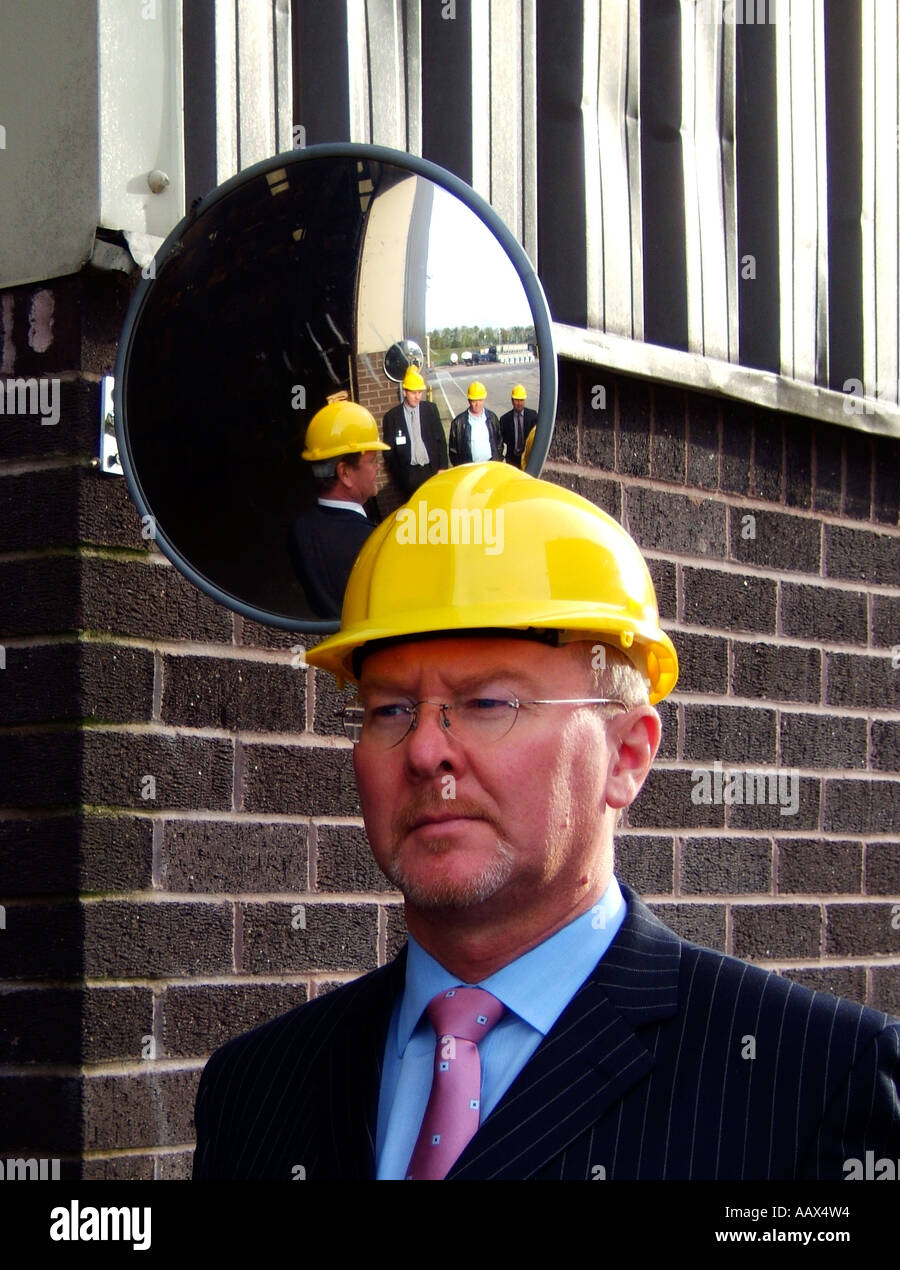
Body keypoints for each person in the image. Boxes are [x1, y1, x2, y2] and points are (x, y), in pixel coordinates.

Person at [196, 463, 900, 1180]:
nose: (427, 749)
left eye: (489, 702)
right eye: (390, 710)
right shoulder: (254, 1086)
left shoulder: (814, 1083)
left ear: (626, 755)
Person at [286, 399, 389, 619]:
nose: (377, 467)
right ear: (345, 474)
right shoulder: (372, 542)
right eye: (372, 461)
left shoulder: (300, 530)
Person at [382, 365, 448, 497]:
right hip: (409, 475)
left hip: (432, 470)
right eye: (413, 393)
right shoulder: (392, 417)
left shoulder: (430, 409)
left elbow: (440, 439)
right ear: (405, 392)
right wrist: (400, 477)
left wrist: (442, 467)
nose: (417, 397)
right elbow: (389, 453)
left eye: (420, 392)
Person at [448, 381, 502, 465]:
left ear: (484, 399)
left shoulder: (492, 418)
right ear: (469, 400)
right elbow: (453, 451)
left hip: (490, 466)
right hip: (469, 468)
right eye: (474, 401)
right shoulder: (458, 423)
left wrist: (498, 460)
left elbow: (499, 442)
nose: (477, 404)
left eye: (480, 400)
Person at [499, 383, 538, 466]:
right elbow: (499, 440)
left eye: (521, 400)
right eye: (517, 400)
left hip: (528, 458)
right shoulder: (504, 420)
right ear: (512, 400)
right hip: (512, 460)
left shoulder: (533, 416)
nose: (519, 403)